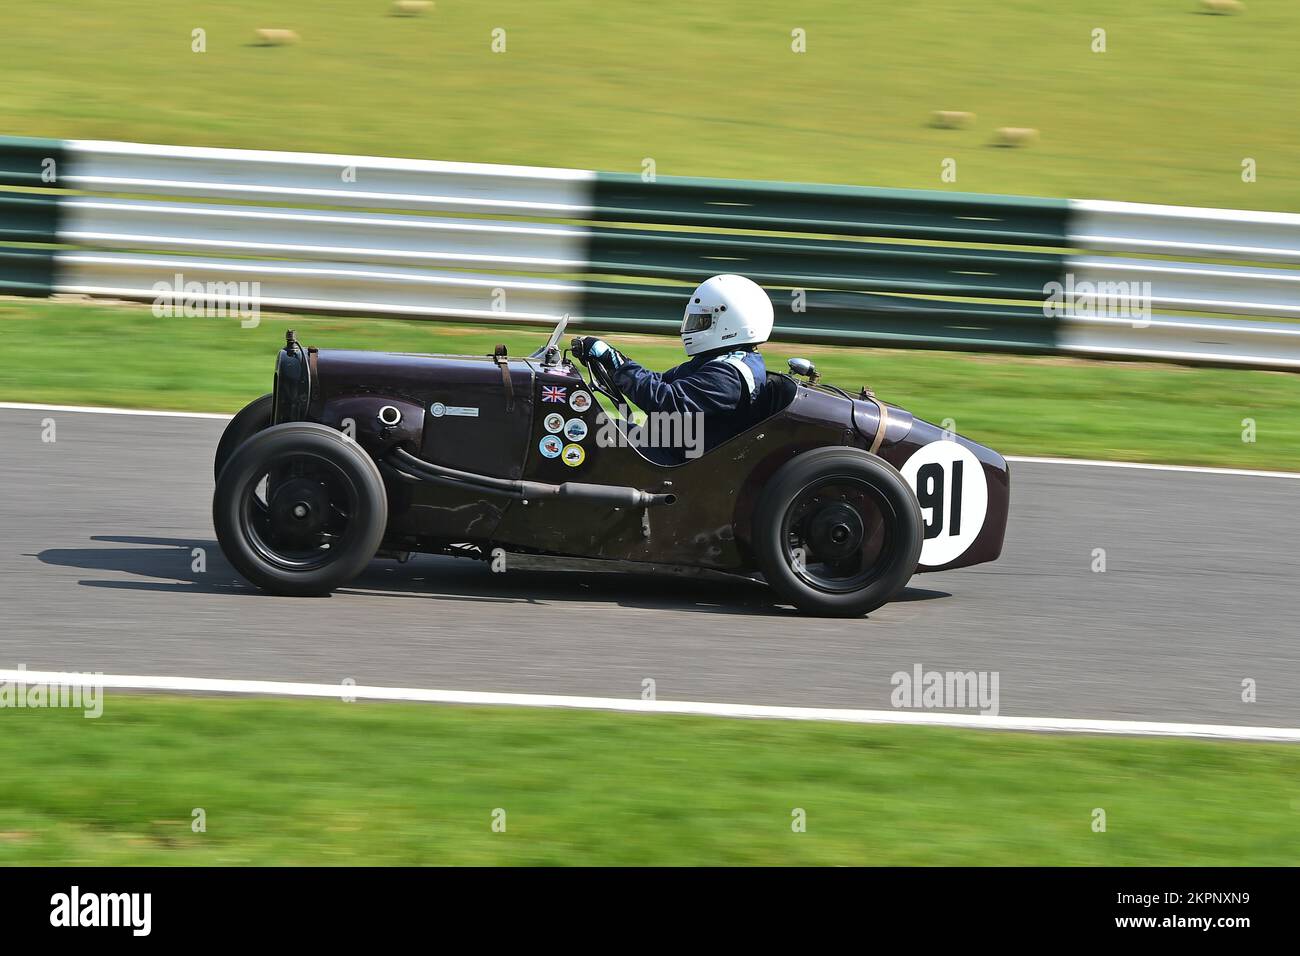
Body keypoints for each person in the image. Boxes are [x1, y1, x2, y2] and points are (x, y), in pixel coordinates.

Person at [573, 274, 773, 458]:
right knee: (585, 425)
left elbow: (666, 403)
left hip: (681, 461)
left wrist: (617, 362)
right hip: (669, 444)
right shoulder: (722, 360)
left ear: (731, 323)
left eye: (703, 320)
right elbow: (663, 382)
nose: (694, 326)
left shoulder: (729, 376)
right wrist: (614, 362)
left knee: (579, 433)